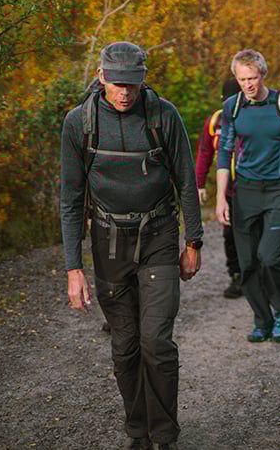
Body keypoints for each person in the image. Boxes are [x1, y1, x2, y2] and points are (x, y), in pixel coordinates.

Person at [61, 41, 203, 450]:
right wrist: (74, 269)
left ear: (143, 80)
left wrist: (193, 241)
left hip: (158, 235)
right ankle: (138, 431)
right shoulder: (79, 123)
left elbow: (185, 182)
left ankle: (164, 435)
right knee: (124, 347)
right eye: (118, 83)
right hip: (108, 243)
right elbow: (70, 199)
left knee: (156, 341)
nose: (125, 92)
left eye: (133, 84)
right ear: (102, 76)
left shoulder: (163, 115)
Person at [215, 49, 280, 342]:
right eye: (242, 79)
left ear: (263, 74)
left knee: (269, 257)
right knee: (247, 263)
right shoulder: (233, 108)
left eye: (253, 78)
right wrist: (221, 198)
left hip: (279, 190)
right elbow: (224, 152)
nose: (248, 84)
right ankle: (263, 319)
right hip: (245, 191)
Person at [195, 77, 242, 298]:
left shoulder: (252, 118)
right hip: (227, 190)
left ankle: (257, 274)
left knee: (253, 233)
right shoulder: (215, 121)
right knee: (229, 233)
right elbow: (205, 153)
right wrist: (200, 183)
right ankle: (236, 275)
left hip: (254, 188)